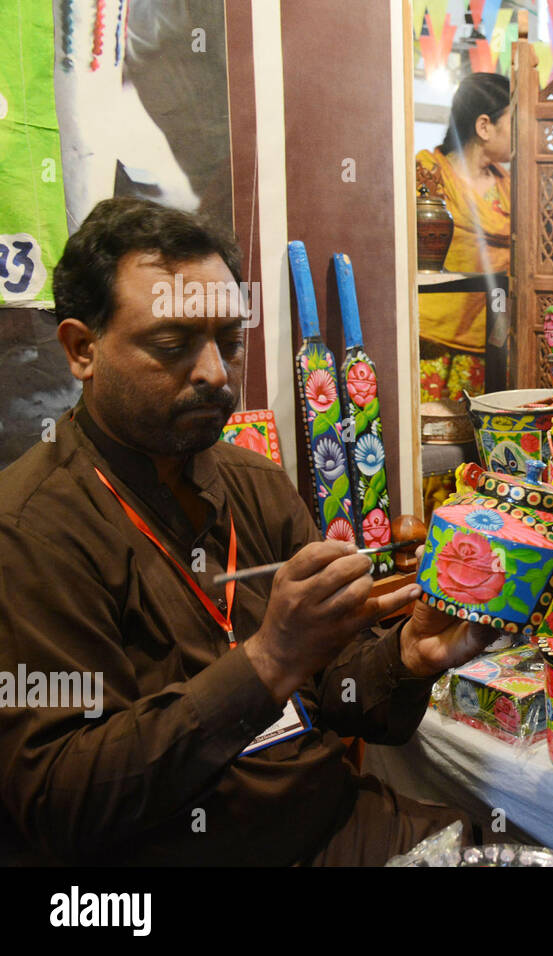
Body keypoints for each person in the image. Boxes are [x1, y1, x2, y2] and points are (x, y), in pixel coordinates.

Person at [0, 198, 495, 865]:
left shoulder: (250, 480)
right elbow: (61, 801)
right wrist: (267, 662)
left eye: (229, 342)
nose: (213, 372)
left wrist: (408, 655)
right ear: (82, 348)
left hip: (336, 826)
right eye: (173, 345)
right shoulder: (31, 529)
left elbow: (337, 690)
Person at [415, 73, 512, 403]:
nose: (523, 134)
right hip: (430, 342)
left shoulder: (509, 187)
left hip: (489, 345)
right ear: (484, 126)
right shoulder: (427, 174)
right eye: (515, 123)